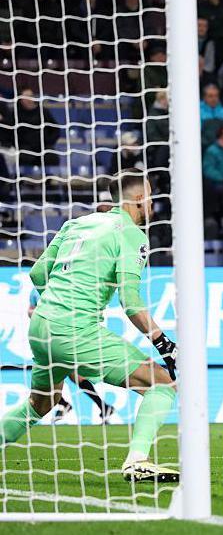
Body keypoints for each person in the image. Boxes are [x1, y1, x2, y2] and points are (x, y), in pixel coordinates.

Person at [0, 174, 179, 482]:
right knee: (161, 384)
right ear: (138, 200)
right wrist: (164, 344)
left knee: (40, 404)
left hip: (42, 324)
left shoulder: (77, 224)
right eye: (149, 196)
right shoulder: (132, 235)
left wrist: (57, 304)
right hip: (75, 327)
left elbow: (39, 273)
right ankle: (137, 460)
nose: (151, 203)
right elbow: (131, 301)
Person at [28, 289, 115, 425]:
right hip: (46, 338)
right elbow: (30, 310)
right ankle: (102, 407)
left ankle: (67, 405)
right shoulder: (35, 291)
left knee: (61, 375)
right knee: (71, 376)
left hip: (63, 337)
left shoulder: (62, 287)